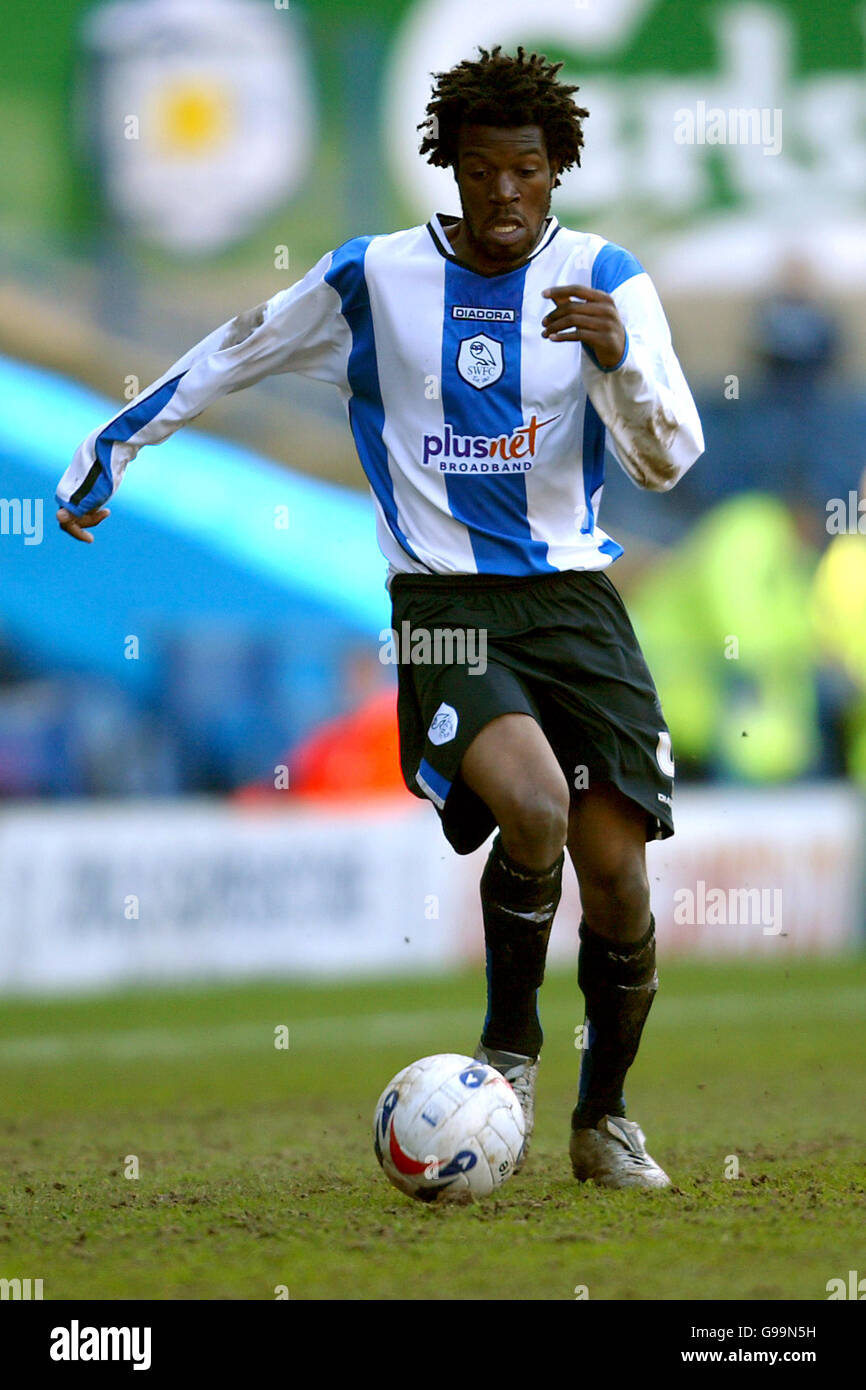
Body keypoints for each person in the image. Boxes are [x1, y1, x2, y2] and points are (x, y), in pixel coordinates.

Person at [56, 46, 704, 1189]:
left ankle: (601, 1121)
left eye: (527, 170)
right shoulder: (374, 279)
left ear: (558, 171)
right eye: (479, 168)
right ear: (443, 168)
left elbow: (666, 461)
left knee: (618, 879)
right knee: (536, 804)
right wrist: (116, 443)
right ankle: (509, 1050)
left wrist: (620, 363)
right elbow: (236, 349)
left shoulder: (610, 279)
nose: (504, 193)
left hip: (577, 607)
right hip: (444, 606)